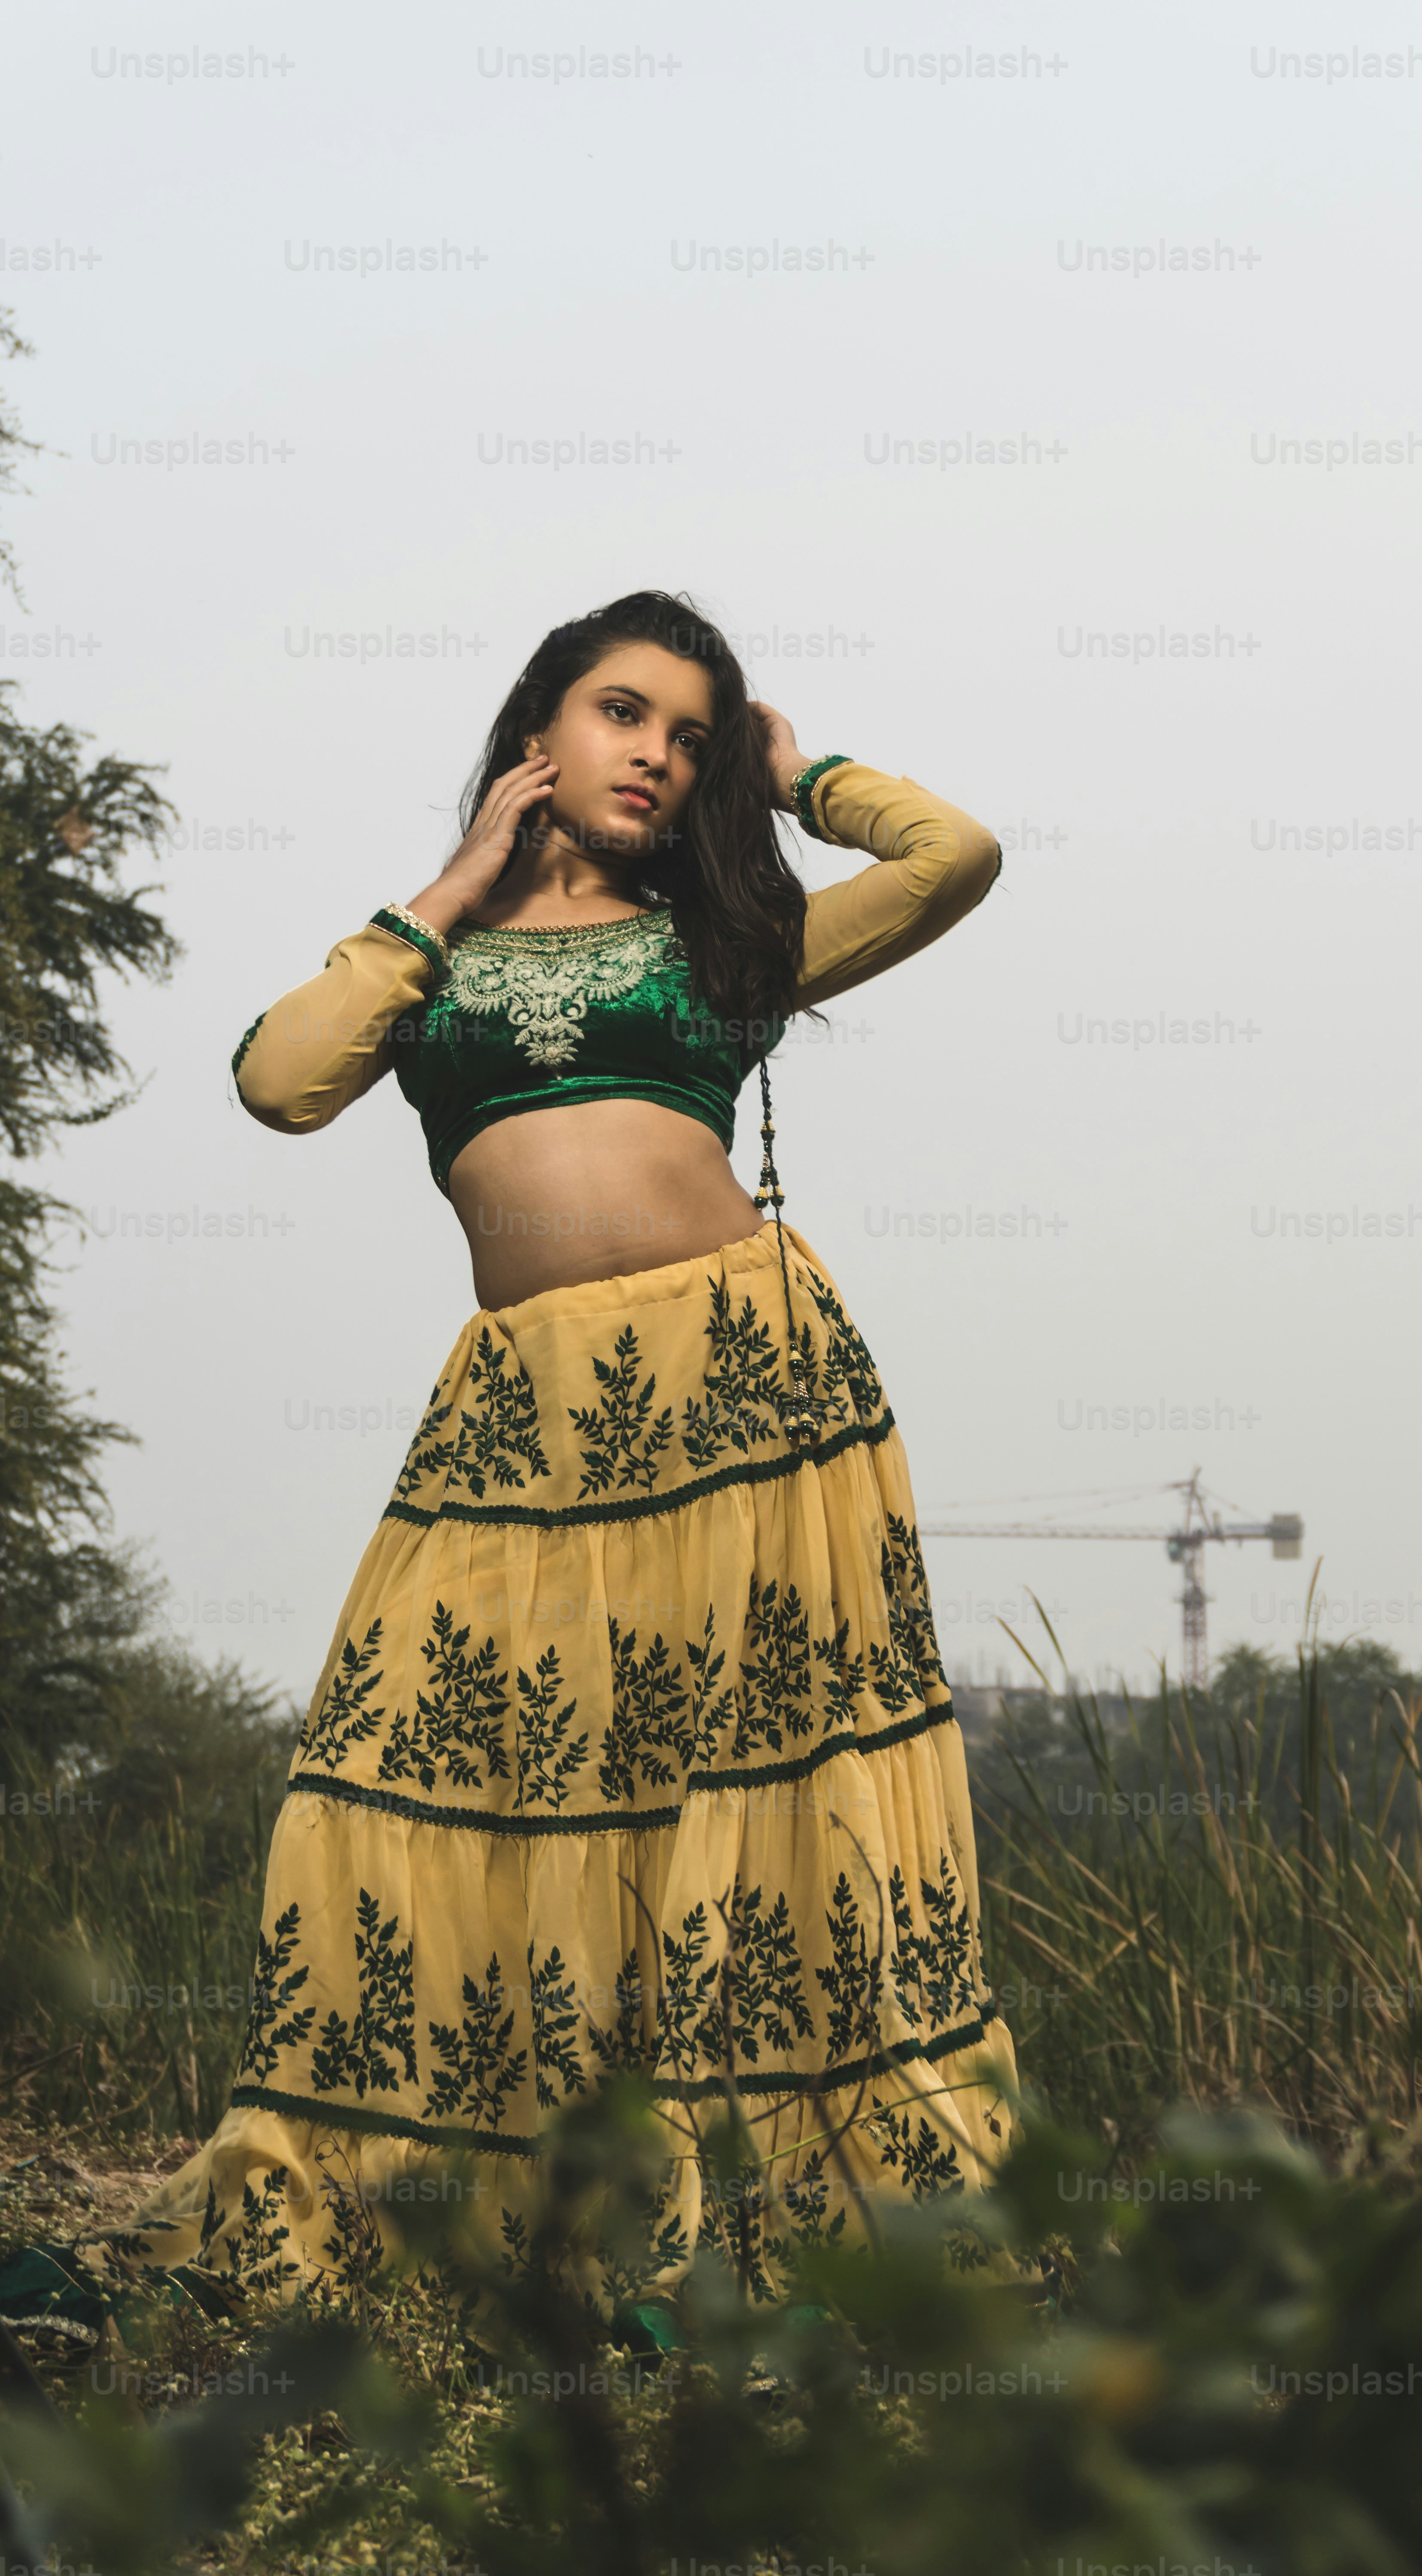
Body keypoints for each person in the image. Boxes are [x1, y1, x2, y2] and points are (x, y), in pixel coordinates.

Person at [6, 589, 1017, 2342]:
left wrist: (799, 772)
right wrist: (449, 891)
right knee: (402, 1770)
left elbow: (952, 855)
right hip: (521, 1418)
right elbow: (278, 1077)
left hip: (746, 1398)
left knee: (744, 1790)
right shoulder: (434, 961)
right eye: (624, 711)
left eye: (690, 733)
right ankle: (446, 2198)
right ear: (537, 730)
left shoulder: (726, 943)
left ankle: (759, 2216)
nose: (660, 754)